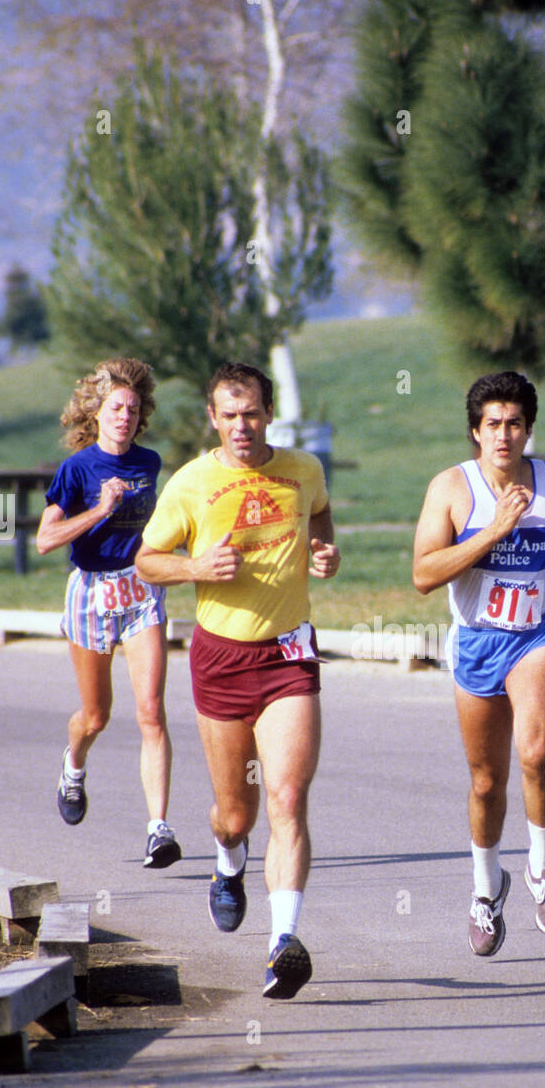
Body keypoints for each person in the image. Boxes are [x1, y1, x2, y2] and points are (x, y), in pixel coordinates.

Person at [135, 362, 340, 999]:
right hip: (221, 659)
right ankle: (228, 862)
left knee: (286, 798)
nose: (241, 425)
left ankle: (284, 942)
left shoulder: (304, 469)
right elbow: (146, 559)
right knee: (234, 815)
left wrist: (323, 551)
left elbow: (322, 517)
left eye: (251, 413)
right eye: (229, 415)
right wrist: (195, 564)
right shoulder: (193, 482)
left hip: (287, 656)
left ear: (268, 413)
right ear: (213, 419)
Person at [413, 371, 545, 956]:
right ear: (476, 431)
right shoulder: (452, 489)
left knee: (536, 755)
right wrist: (495, 530)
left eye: (515, 424)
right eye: (493, 424)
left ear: (529, 429)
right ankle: (486, 891)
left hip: (539, 633)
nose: (505, 435)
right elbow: (423, 575)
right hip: (478, 641)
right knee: (487, 781)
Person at [36, 357, 181, 868]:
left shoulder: (150, 463)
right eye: (116, 406)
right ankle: (73, 764)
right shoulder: (76, 470)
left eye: (133, 409)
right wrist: (98, 510)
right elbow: (45, 540)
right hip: (92, 593)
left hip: (140, 591)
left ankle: (158, 830)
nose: (125, 416)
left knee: (151, 713)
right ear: (97, 412)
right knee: (96, 716)